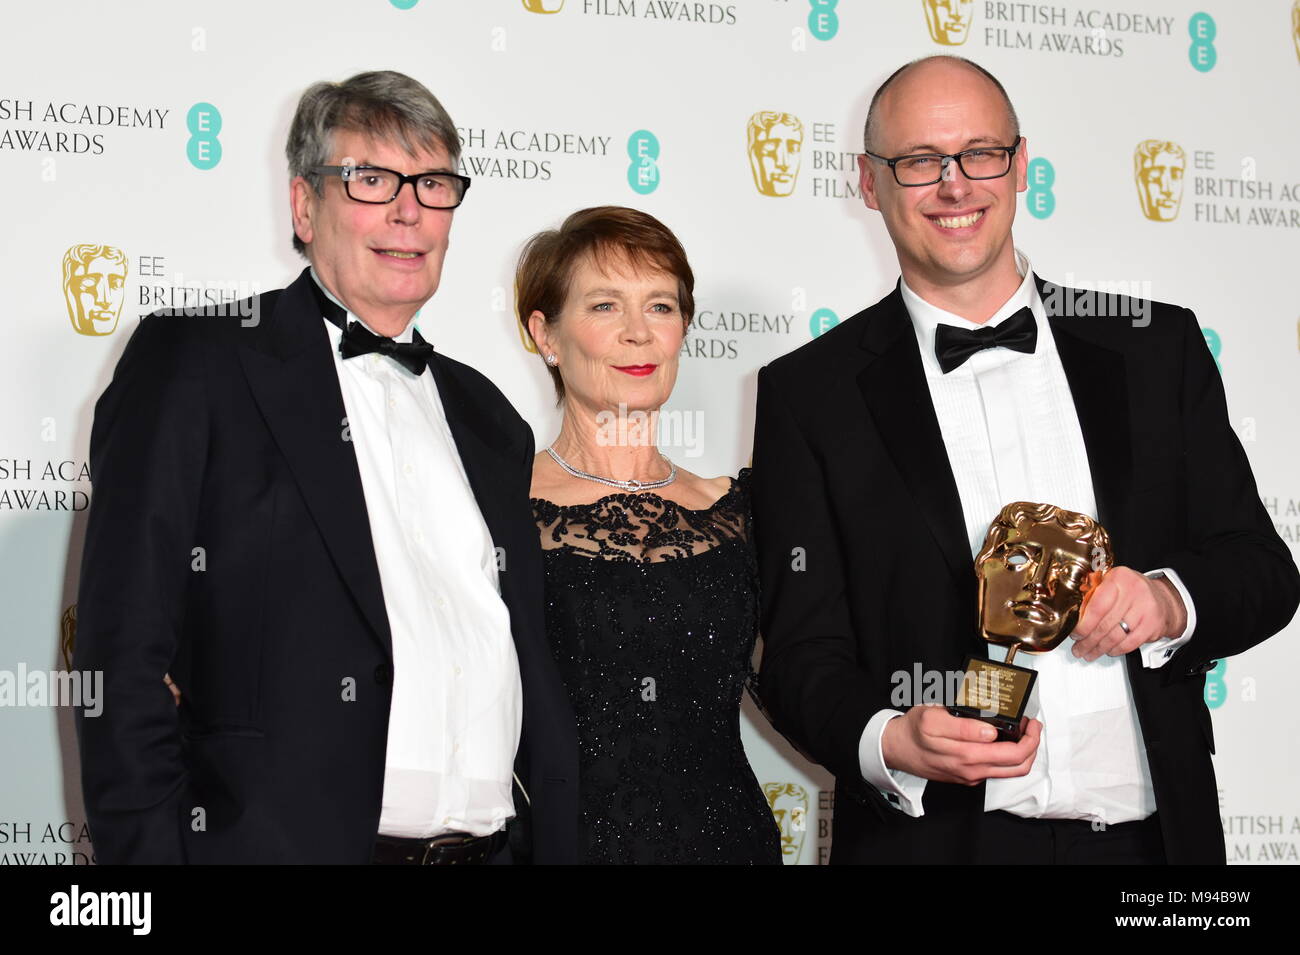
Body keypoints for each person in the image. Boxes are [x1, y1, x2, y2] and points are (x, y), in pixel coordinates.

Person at [751, 55, 1300, 864]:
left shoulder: (1158, 348)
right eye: (917, 162)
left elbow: (1261, 569)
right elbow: (799, 656)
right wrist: (890, 736)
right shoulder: (809, 394)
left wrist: (1167, 600)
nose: (955, 184)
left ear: (1021, 164)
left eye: (981, 152)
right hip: (937, 846)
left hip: (1157, 851)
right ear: (869, 183)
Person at [72, 70, 578, 865]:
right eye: (371, 179)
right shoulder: (196, 364)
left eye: (433, 183)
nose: (408, 210)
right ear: (304, 207)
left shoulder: (490, 420)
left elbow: (523, 663)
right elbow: (120, 652)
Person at [518, 206, 781, 864]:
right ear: (544, 334)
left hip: (731, 844)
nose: (639, 333)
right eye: (606, 306)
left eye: (660, 306)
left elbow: (806, 678)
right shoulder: (497, 506)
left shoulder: (744, 510)